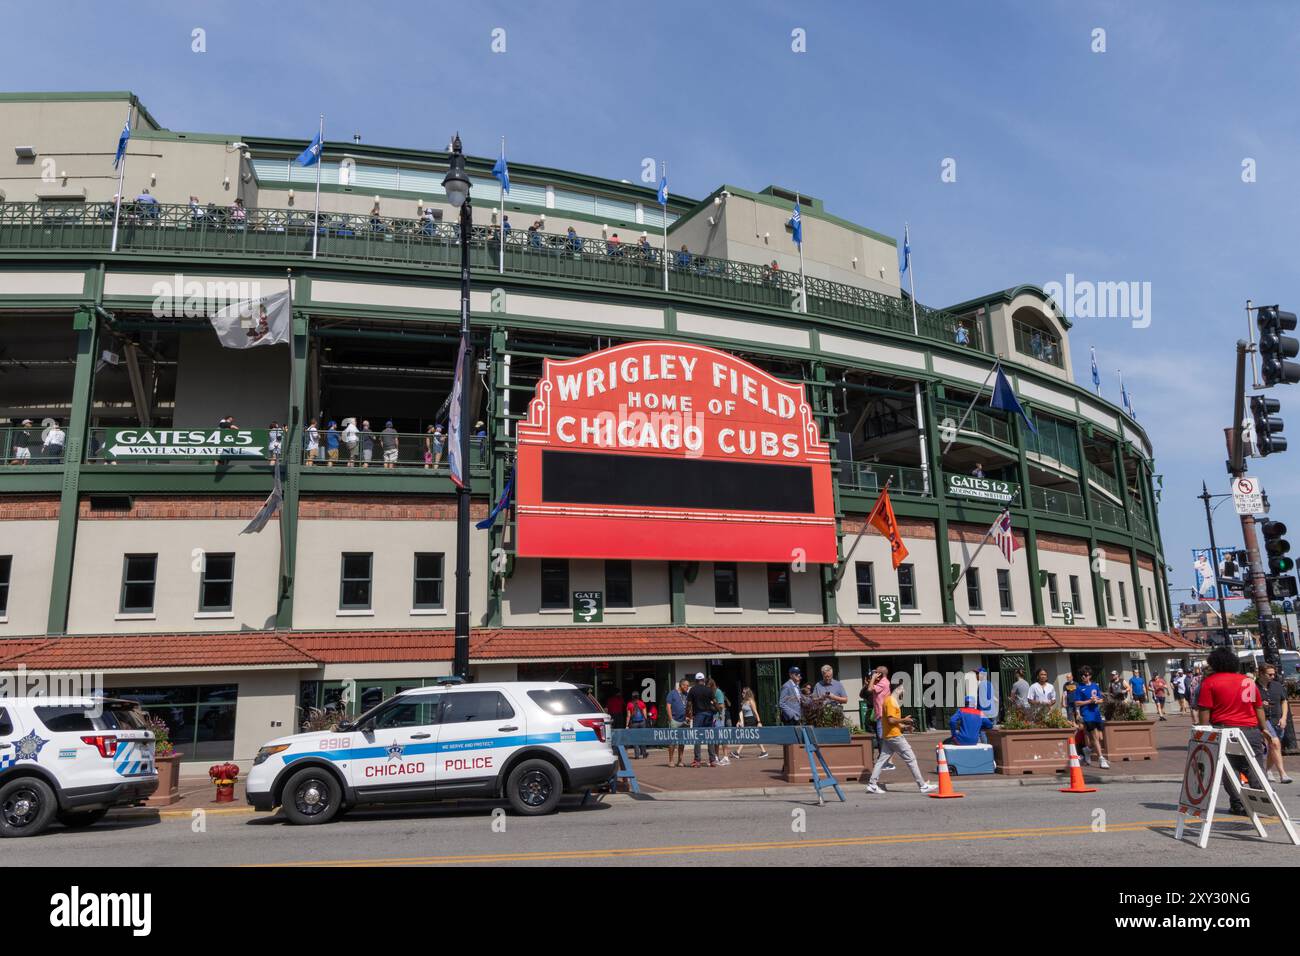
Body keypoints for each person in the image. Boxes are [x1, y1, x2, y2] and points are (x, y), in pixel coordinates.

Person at [1198, 646, 1270, 815]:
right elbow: (1258, 707)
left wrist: (1204, 730)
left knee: (1230, 768)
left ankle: (1238, 803)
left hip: (1225, 730)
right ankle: (1264, 800)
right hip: (1251, 729)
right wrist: (1263, 728)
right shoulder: (1247, 681)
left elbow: (1205, 710)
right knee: (1255, 766)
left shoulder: (1210, 682)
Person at [865, 676, 938, 794]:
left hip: (889, 735)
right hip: (894, 736)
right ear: (898, 688)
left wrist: (905, 726)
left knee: (881, 760)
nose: (904, 691)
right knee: (911, 759)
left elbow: (892, 722)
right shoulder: (890, 702)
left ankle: (872, 784)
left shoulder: (890, 701)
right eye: (903, 688)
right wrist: (904, 720)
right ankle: (922, 785)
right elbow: (891, 720)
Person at [1258, 663, 1293, 784]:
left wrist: (1283, 718)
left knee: (1274, 748)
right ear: (1261, 674)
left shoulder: (1277, 686)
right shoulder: (1254, 687)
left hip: (1277, 720)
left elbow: (1284, 701)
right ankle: (1283, 774)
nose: (1273, 676)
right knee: (1275, 743)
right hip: (1263, 719)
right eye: (1270, 674)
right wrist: (1260, 705)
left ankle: (1266, 770)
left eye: (1274, 674)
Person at [1071, 667, 1110, 768]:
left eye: (1086, 675)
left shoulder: (1095, 686)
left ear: (1090, 676)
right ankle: (1101, 759)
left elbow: (1101, 699)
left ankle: (1087, 750)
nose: (1084, 677)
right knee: (1094, 736)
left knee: (1100, 737)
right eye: (1082, 675)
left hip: (1096, 714)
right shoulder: (1079, 688)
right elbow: (1076, 702)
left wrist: (1097, 701)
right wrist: (1089, 701)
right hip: (1087, 714)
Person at [687, 673, 718, 767]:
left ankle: (697, 760)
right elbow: (715, 702)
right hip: (708, 714)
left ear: (696, 680)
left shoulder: (692, 690)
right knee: (710, 736)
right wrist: (718, 710)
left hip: (699, 715)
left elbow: (689, 704)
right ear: (703, 680)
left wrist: (689, 715)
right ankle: (712, 760)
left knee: (697, 737)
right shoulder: (708, 690)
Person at [733, 687, 769, 759]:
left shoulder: (751, 701)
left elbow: (755, 712)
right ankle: (764, 751)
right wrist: (739, 721)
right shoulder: (744, 702)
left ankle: (737, 752)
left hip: (751, 720)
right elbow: (742, 712)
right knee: (754, 737)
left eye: (744, 693)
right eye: (742, 692)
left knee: (746, 736)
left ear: (747, 693)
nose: (742, 694)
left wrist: (759, 722)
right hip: (746, 720)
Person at [665, 678, 689, 767]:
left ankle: (680, 761)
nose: (687, 687)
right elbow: (668, 706)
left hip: (684, 721)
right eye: (686, 686)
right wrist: (671, 719)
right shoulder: (672, 693)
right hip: (675, 721)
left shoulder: (687, 694)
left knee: (682, 742)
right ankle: (671, 761)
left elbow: (689, 706)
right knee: (672, 742)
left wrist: (689, 717)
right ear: (681, 685)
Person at [709, 678, 731, 765]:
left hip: (719, 717)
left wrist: (711, 705)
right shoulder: (710, 693)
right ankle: (716, 756)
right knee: (715, 738)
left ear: (711, 685)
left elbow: (721, 706)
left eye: (708, 687)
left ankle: (726, 757)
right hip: (713, 718)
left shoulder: (718, 692)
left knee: (721, 737)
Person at [625, 693, 649, 759]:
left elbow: (628, 716)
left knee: (635, 739)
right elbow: (645, 715)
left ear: (632, 697)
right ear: (638, 697)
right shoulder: (642, 703)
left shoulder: (629, 704)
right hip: (642, 722)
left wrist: (627, 725)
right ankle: (644, 754)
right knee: (642, 738)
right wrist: (646, 722)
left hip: (633, 723)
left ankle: (637, 755)